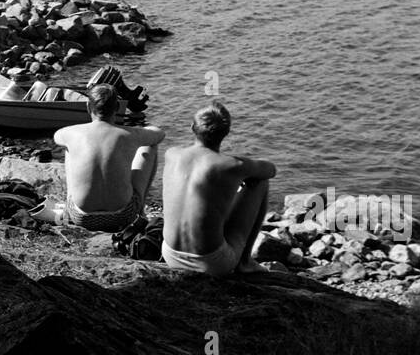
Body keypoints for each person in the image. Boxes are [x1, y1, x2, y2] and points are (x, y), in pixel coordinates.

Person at [160, 101, 275, 277]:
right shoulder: (231, 165)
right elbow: (270, 170)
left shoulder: (171, 153)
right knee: (260, 182)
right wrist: (243, 169)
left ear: (192, 127)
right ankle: (245, 262)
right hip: (210, 263)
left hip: (170, 254)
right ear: (226, 132)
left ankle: (242, 260)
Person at [43, 84, 164, 231]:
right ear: (118, 107)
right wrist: (142, 130)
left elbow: (57, 136)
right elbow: (159, 134)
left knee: (70, 147)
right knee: (150, 145)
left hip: (81, 217)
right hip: (123, 215)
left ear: (88, 107)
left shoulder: (72, 132)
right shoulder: (129, 134)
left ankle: (71, 202)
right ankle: (141, 212)